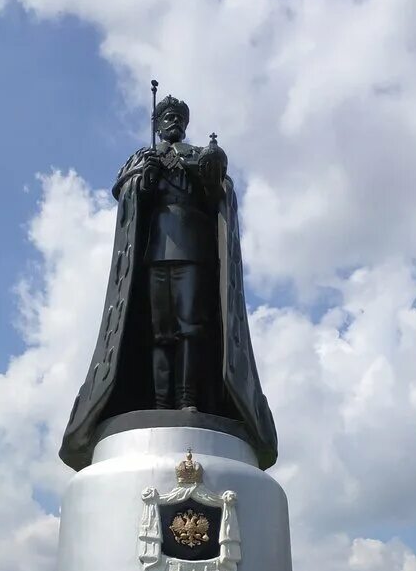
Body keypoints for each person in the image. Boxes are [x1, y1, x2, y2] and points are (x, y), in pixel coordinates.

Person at [60, 91, 277, 472]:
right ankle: (161, 403)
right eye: (165, 118)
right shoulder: (145, 158)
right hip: (153, 256)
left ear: (185, 124)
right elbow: (124, 192)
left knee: (190, 328)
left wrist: (212, 169)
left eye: (177, 117)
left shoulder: (197, 157)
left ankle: (187, 398)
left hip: (194, 252)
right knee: (160, 332)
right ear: (158, 125)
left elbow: (217, 194)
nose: (171, 122)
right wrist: (141, 178)